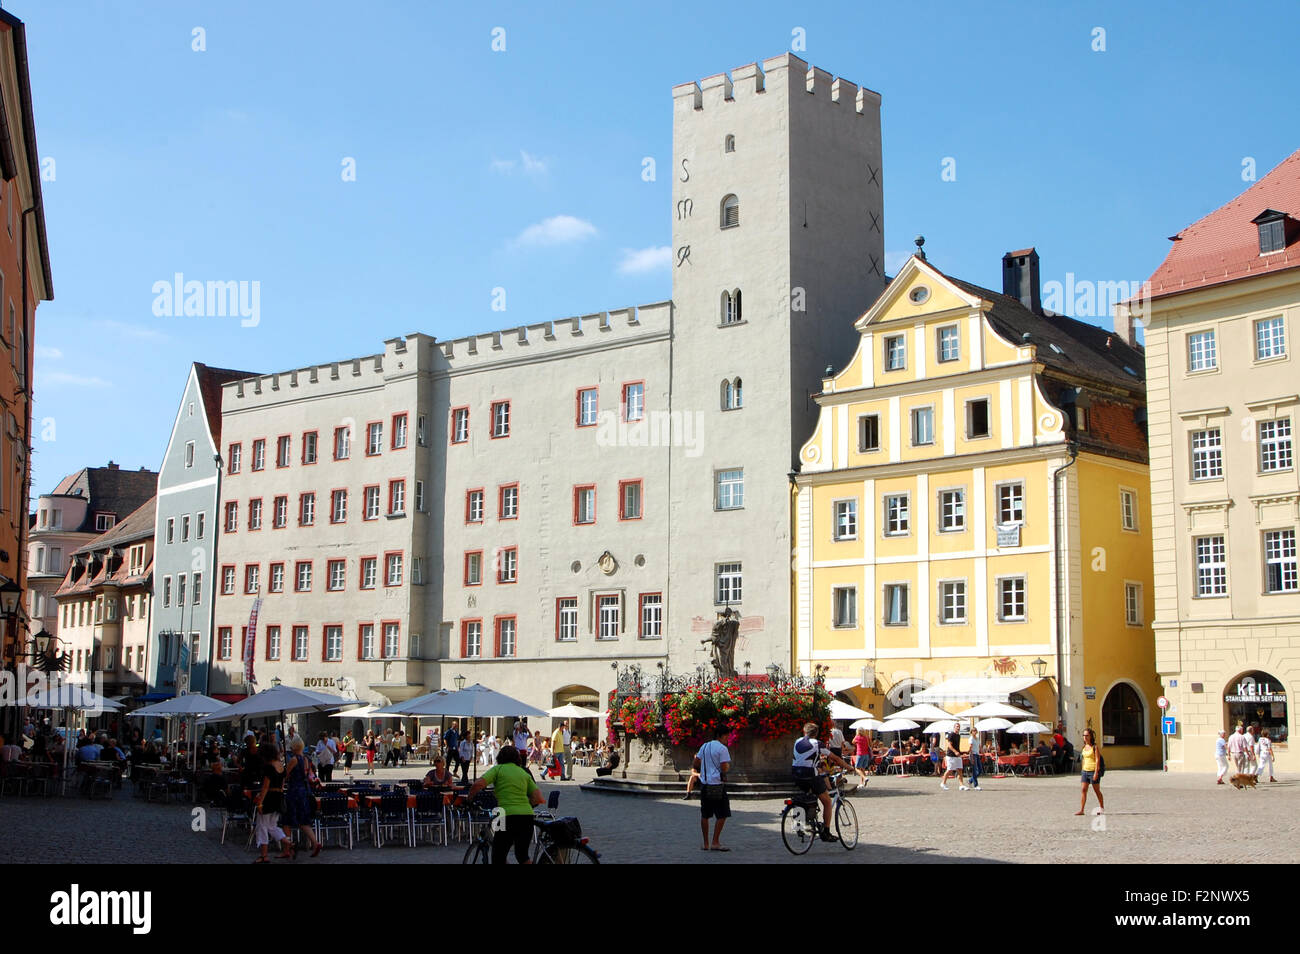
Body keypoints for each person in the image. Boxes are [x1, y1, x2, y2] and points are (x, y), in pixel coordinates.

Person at [467, 745, 544, 864]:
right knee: (522, 856)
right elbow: (538, 798)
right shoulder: (523, 772)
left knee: (498, 856)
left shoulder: (498, 769)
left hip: (504, 815)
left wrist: (469, 799)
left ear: (500, 757)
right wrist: (524, 805)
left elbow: (478, 785)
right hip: (527, 816)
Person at [791, 722, 852, 841]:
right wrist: (848, 767)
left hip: (795, 773)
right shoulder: (817, 743)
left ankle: (800, 823)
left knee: (804, 797)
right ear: (817, 733)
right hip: (809, 774)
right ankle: (826, 832)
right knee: (827, 802)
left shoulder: (797, 741)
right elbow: (835, 758)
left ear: (804, 732)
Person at [281, 738, 322, 857]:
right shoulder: (306, 759)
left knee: (287, 820)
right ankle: (315, 843)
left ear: (293, 747)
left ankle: (287, 848)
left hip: (294, 792)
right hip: (304, 791)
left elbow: (285, 775)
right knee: (304, 820)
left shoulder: (294, 759)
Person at [694, 725, 733, 851]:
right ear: (721, 736)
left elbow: (696, 761)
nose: (728, 738)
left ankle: (705, 843)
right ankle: (715, 842)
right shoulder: (722, 749)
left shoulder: (704, 746)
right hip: (717, 785)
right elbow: (724, 766)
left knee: (705, 815)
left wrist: (705, 769)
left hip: (705, 784)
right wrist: (726, 769)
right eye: (727, 736)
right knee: (722, 814)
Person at [252, 743, 291, 863]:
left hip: (269, 797)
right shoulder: (282, 767)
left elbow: (265, 787)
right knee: (272, 826)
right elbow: (283, 784)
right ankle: (289, 842)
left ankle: (264, 855)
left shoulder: (269, 767)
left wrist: (260, 803)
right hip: (279, 797)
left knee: (262, 826)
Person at [1076, 728, 1104, 816]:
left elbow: (1097, 760)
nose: (1085, 737)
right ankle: (1082, 810)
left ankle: (1101, 808)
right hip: (1085, 771)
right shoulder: (1084, 747)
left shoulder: (1094, 747)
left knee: (1097, 791)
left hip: (1093, 771)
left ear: (1091, 736)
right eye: (1084, 735)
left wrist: (1096, 772)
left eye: (1087, 735)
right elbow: (1083, 759)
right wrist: (1082, 769)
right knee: (1083, 790)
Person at [940, 723, 965, 791]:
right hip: (951, 755)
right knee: (949, 770)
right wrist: (955, 752)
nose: (958, 728)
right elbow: (949, 745)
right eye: (957, 726)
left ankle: (961, 785)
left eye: (959, 727)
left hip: (957, 755)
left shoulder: (958, 736)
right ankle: (943, 783)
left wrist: (960, 753)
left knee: (960, 770)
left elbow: (957, 746)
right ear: (954, 727)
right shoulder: (951, 735)